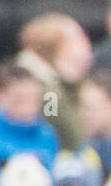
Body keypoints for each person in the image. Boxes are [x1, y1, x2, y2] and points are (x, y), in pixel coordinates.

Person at [15, 13, 93, 150]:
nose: (86, 45)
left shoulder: (64, 84)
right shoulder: (49, 94)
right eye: (78, 39)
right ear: (56, 47)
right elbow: (73, 138)